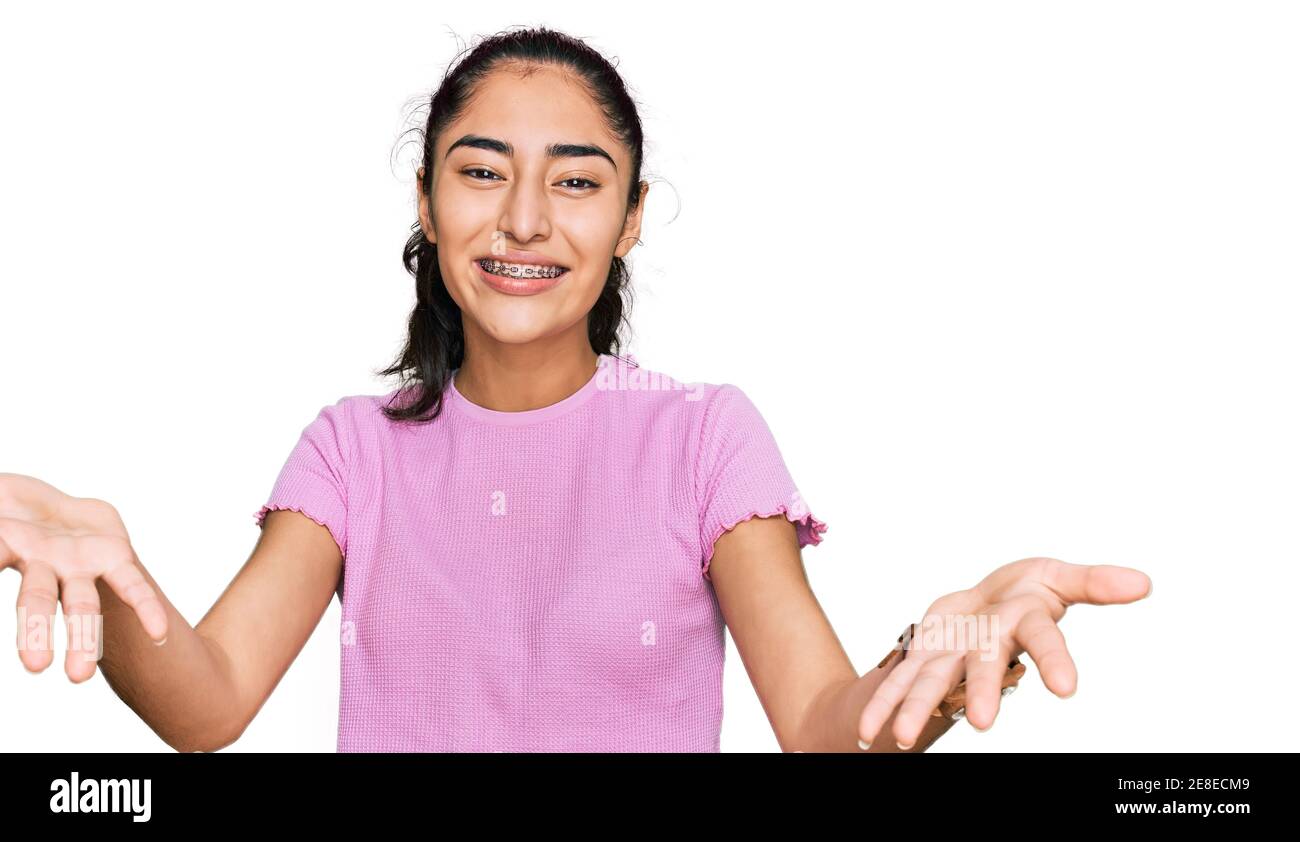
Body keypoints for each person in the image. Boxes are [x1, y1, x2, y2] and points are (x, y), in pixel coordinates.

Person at [0, 26, 1153, 753]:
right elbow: (204, 707)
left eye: (577, 181)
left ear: (632, 217)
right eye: (482, 170)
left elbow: (822, 726)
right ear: (425, 197)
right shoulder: (353, 451)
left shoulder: (704, 438)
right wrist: (118, 576)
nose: (523, 221)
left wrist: (940, 648)